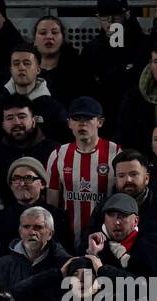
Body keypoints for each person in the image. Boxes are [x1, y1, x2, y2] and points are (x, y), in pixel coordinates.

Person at [45, 96, 118, 251]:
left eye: (88, 118)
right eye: (76, 118)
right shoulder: (58, 154)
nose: (82, 123)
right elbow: (52, 205)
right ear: (69, 123)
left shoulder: (116, 153)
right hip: (67, 239)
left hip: (106, 238)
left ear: (100, 122)